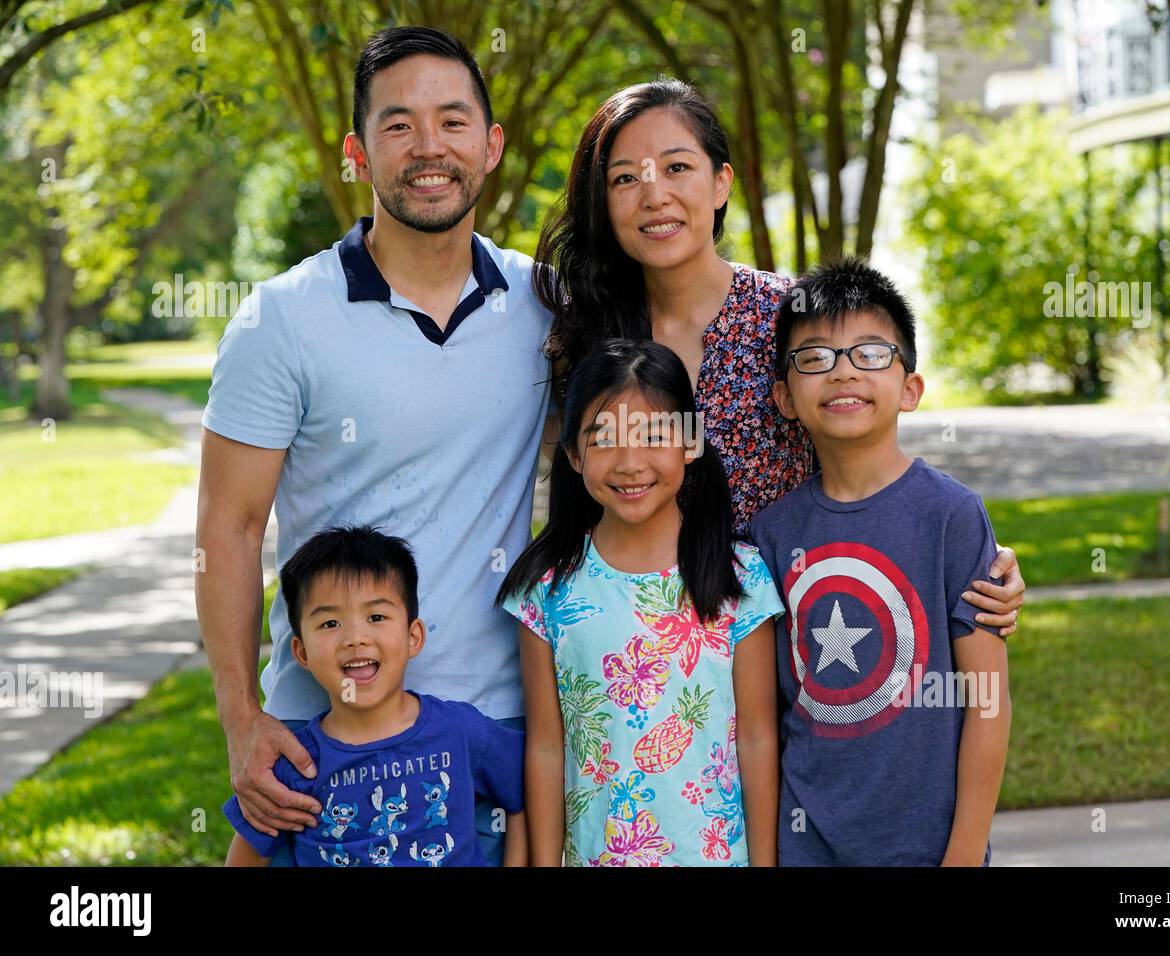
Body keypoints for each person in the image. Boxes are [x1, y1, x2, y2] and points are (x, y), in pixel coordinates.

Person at [196, 27, 550, 867]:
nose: (429, 148)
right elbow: (228, 531)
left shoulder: (544, 306)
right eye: (399, 125)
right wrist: (242, 721)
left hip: (488, 737)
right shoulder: (280, 320)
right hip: (320, 744)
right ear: (358, 153)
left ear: (491, 145)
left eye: (454, 122)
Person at [534, 77, 1027, 630]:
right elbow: (575, 516)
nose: (654, 196)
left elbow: (869, 472)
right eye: (626, 178)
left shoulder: (790, 320)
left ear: (721, 183)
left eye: (677, 168)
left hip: (803, 651)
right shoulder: (581, 335)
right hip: (637, 664)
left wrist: (969, 553)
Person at [748, 259, 1012, 866]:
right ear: (786, 397)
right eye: (814, 357)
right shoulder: (771, 531)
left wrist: (966, 853)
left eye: (869, 353)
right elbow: (765, 712)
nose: (842, 372)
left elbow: (989, 701)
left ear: (911, 388)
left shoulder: (950, 516)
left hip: (927, 848)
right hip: (805, 845)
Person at [499, 339, 783, 866]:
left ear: (690, 443)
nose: (630, 464)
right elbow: (545, 745)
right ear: (573, 454)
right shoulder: (547, 588)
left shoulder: (739, 578)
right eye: (604, 440)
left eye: (654, 435)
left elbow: (758, 737)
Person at [223, 526, 525, 867]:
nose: (355, 637)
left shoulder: (461, 731)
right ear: (302, 652)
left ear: (413, 637)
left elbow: (526, 793)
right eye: (330, 623)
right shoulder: (295, 764)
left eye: (376, 617)